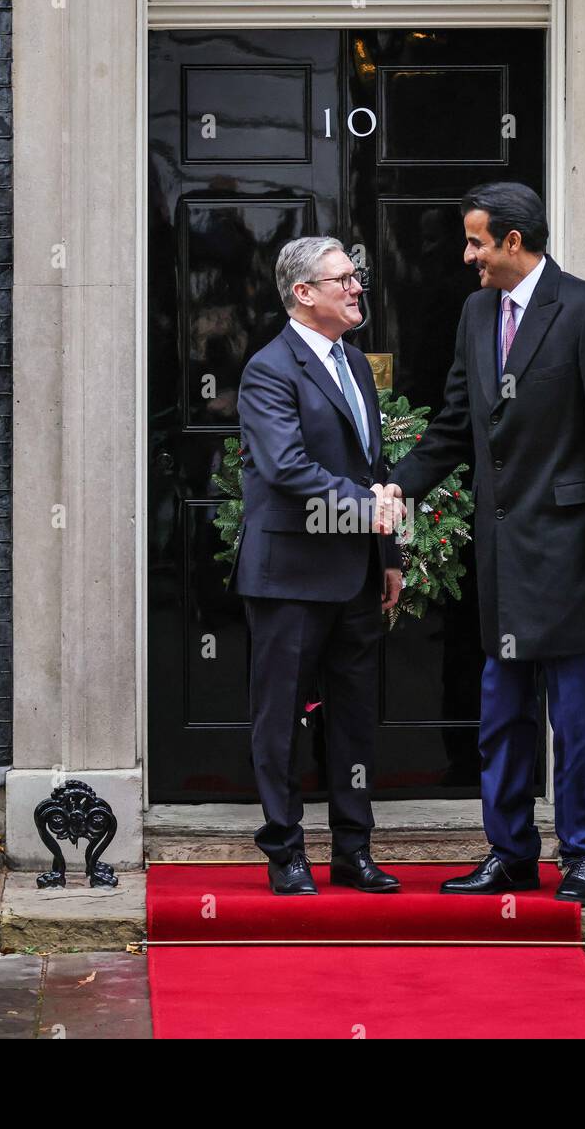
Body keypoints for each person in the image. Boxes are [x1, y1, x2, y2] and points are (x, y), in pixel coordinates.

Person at [379, 183, 585, 905]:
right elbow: (455, 422)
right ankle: (509, 855)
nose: (466, 256)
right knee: (500, 709)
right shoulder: (476, 312)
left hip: (568, 545)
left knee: (573, 711)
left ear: (512, 242)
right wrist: (402, 484)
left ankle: (584, 856)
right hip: (499, 549)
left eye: (474, 242)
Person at [230, 235, 406, 896]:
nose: (357, 287)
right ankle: (285, 852)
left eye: (356, 278)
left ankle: (353, 852)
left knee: (354, 720)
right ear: (304, 293)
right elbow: (284, 467)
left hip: (357, 575)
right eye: (343, 280)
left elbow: (371, 467)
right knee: (280, 720)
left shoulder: (357, 365)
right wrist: (370, 508)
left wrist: (388, 556)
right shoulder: (268, 369)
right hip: (289, 578)